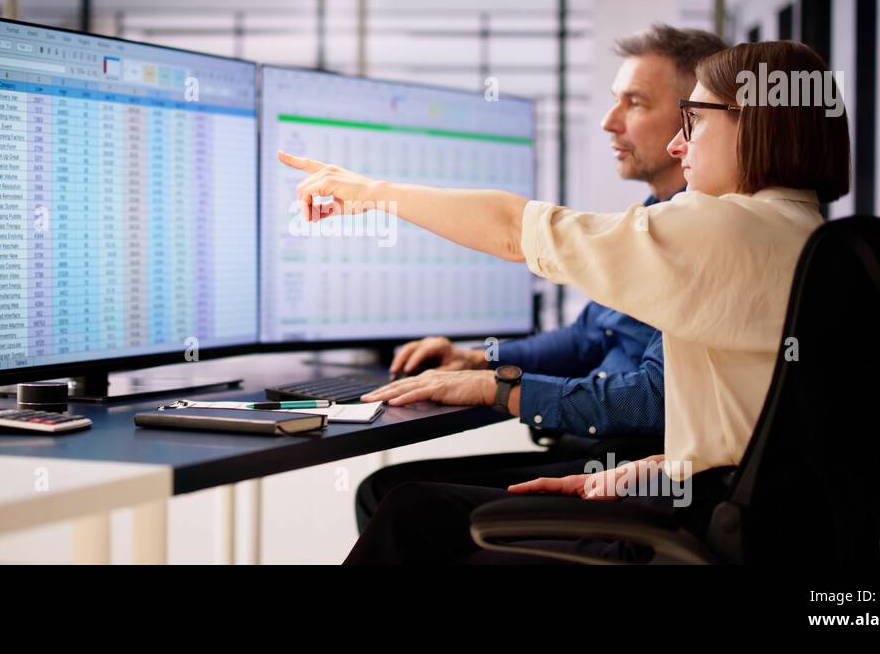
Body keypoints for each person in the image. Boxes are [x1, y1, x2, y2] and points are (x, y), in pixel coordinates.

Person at [278, 40, 850, 564]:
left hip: (696, 532)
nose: (680, 143)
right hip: (733, 519)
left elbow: (513, 229)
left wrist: (371, 192)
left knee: (410, 519)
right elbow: (753, 438)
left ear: (756, 125)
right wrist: (635, 476)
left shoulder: (728, 229)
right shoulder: (806, 233)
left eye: (694, 121)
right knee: (411, 509)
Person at [351, 26, 728, 532]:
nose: (608, 122)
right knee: (391, 492)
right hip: (617, 454)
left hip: (644, 467)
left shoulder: (703, 236)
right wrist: (479, 360)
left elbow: (654, 399)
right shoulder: (656, 216)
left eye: (634, 103)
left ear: (693, 121)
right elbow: (592, 335)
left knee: (400, 504)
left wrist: (499, 387)